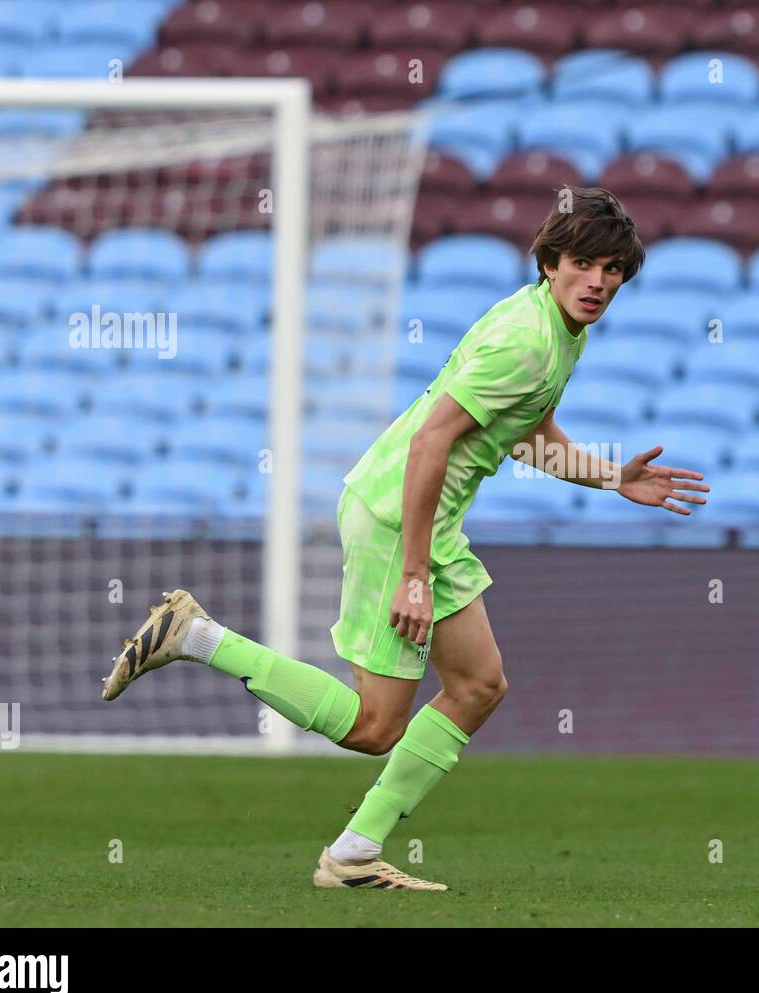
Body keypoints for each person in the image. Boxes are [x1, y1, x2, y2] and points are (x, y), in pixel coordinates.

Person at [100, 186, 710, 890]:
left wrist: (611, 478)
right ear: (551, 262)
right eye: (585, 263)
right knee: (374, 727)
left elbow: (526, 438)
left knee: (478, 686)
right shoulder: (524, 341)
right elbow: (429, 444)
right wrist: (414, 573)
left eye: (613, 271)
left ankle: (355, 853)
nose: (599, 282)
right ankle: (196, 636)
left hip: (426, 519)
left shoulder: (554, 330)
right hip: (399, 516)